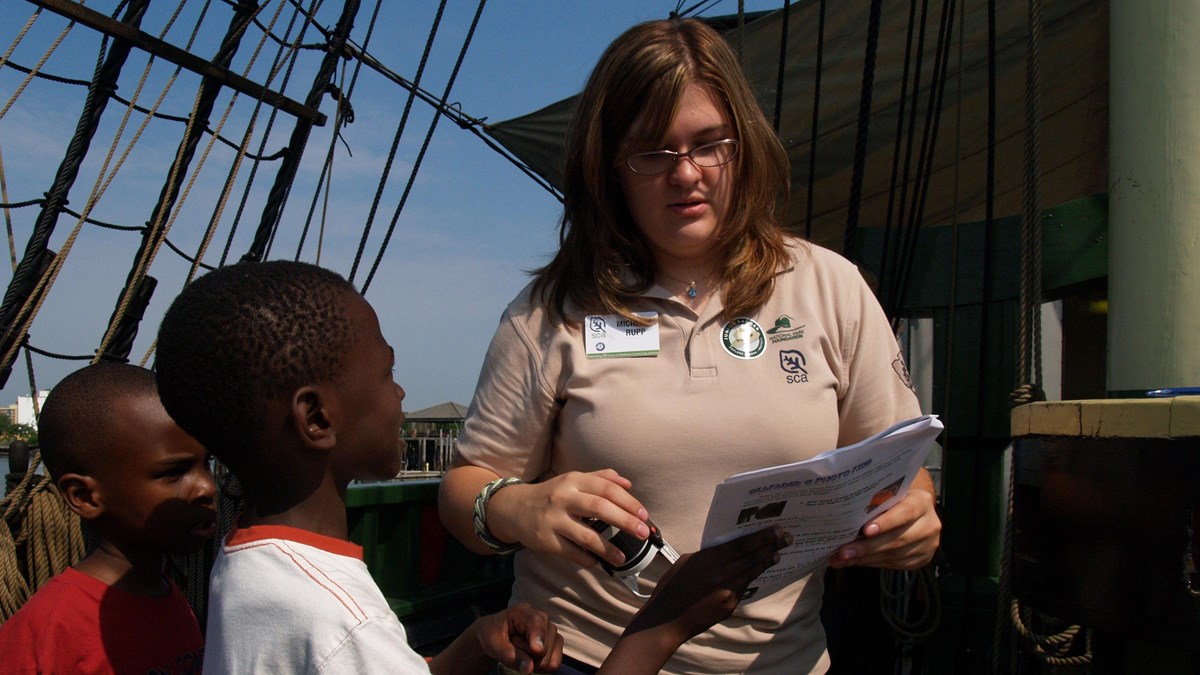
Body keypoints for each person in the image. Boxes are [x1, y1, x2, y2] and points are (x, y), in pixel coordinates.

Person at [438, 17, 942, 675]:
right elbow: (462, 489)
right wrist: (518, 505)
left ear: (746, 146)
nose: (687, 174)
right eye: (653, 152)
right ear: (611, 166)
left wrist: (916, 520)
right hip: (583, 658)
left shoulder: (832, 289)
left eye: (710, 145)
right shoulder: (551, 312)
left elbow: (904, 472)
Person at [153, 260, 791, 675]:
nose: (400, 395)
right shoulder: (333, 615)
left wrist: (463, 653)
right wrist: (662, 625)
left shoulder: (251, 571)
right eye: (387, 375)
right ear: (317, 419)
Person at [0, 362, 215, 673]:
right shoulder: (52, 630)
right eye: (173, 472)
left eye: (206, 464)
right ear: (84, 496)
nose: (207, 487)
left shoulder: (167, 597)